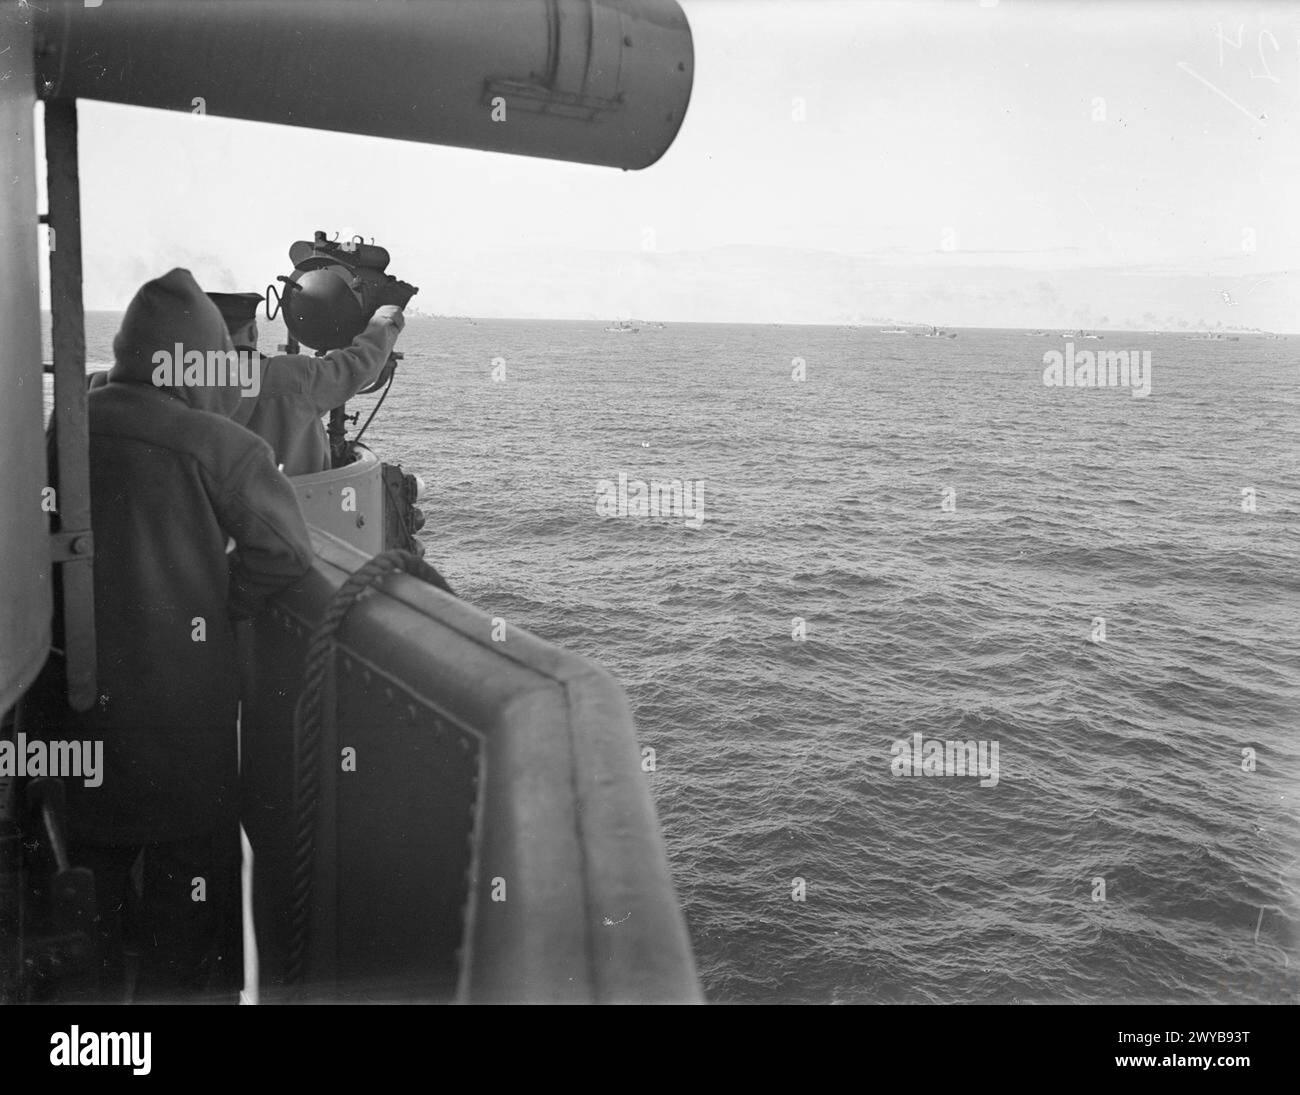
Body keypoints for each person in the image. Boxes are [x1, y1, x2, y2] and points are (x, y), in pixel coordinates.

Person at [30, 269, 314, 1002]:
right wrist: (225, 601)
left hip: (78, 707)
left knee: (86, 888)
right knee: (188, 914)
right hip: (187, 729)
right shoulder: (220, 447)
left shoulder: (69, 423)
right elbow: (287, 551)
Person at [207, 290, 407, 476]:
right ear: (252, 332)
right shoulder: (291, 375)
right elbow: (359, 366)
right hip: (289, 506)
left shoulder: (184, 380)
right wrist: (387, 313)